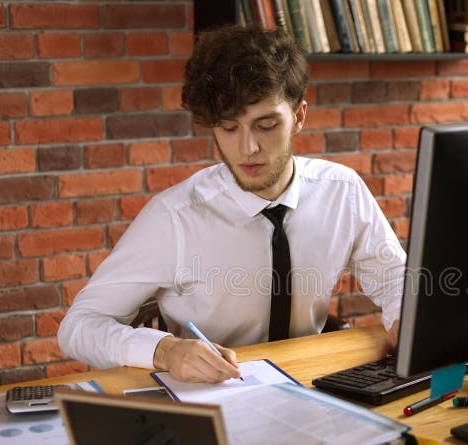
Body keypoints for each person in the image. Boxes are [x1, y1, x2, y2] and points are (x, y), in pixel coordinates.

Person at [57, 25, 406, 383]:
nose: (247, 148)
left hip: (312, 384)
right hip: (212, 401)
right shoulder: (174, 217)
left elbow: (397, 278)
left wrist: (402, 321)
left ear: (299, 116)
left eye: (266, 125)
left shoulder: (341, 191)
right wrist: (163, 350)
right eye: (228, 127)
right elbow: (78, 327)